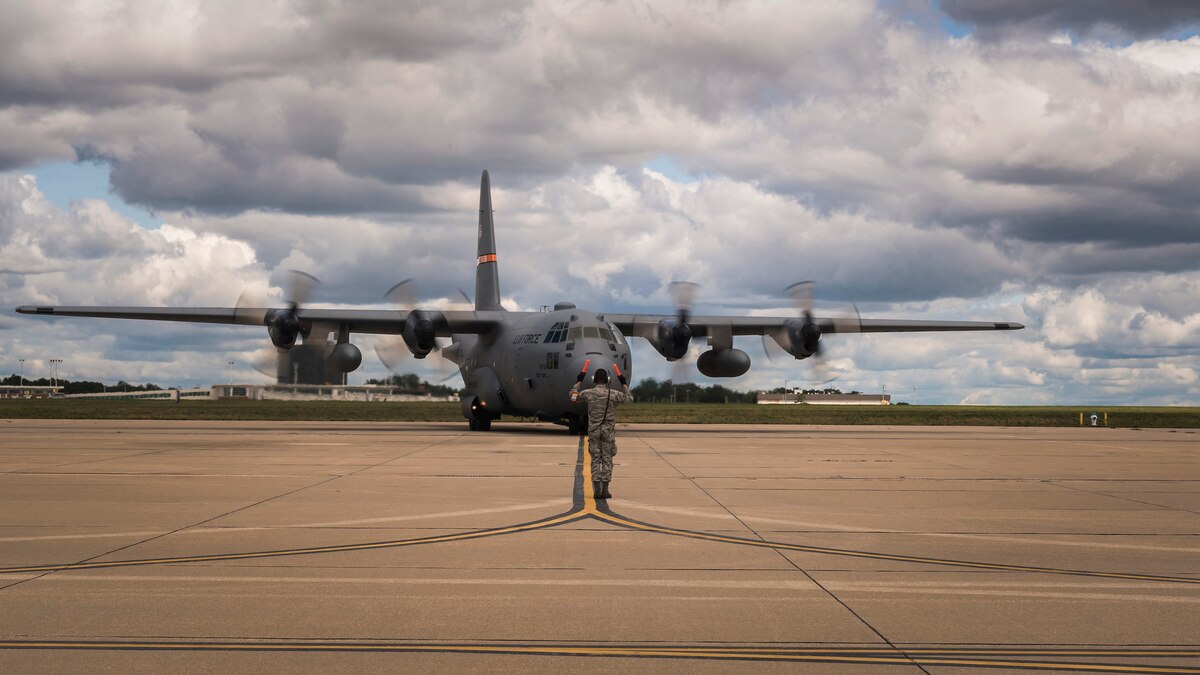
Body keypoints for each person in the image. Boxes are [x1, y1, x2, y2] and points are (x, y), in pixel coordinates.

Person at [570, 367, 631, 499]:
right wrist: (624, 383)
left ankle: (597, 489)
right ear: (607, 380)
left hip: (594, 430)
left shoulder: (588, 393)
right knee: (607, 459)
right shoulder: (613, 394)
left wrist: (578, 382)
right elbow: (629, 399)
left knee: (596, 458)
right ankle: (606, 489)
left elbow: (573, 397)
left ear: (594, 380)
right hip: (607, 430)